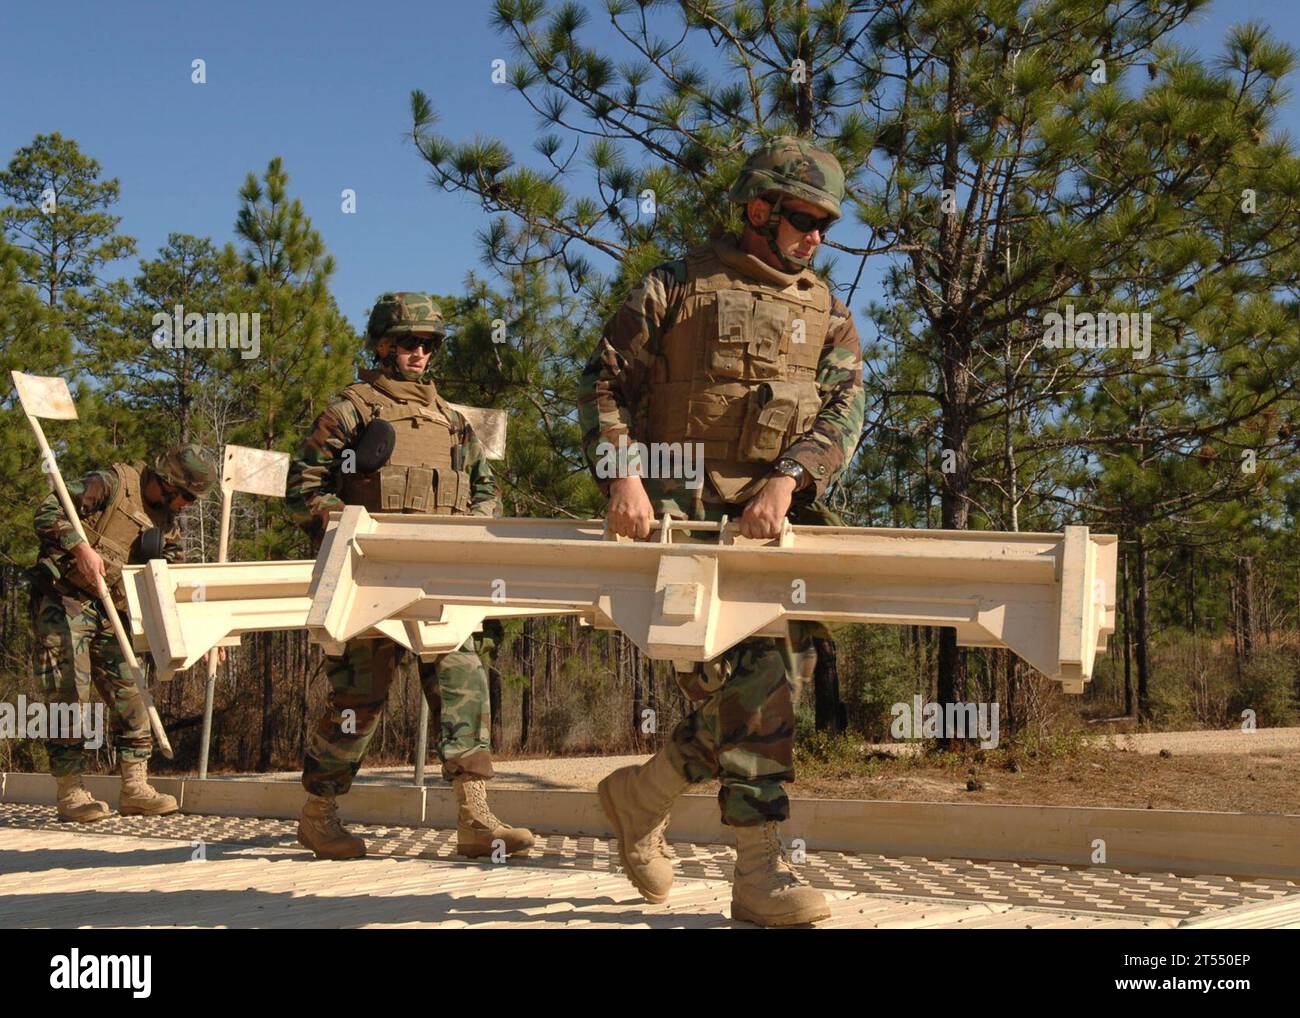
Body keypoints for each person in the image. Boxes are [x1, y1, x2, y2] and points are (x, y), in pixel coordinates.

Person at [577, 137, 865, 925]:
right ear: (759, 209)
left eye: (825, 225)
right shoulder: (674, 287)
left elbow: (847, 409)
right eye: (804, 218)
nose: (815, 236)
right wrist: (624, 477)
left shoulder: (828, 311)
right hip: (681, 525)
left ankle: (642, 797)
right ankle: (759, 872)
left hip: (772, 533)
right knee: (758, 691)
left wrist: (790, 478)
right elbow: (606, 384)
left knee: (763, 695)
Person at [286, 291, 533, 861]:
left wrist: (473, 534)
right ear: (383, 345)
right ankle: (319, 815)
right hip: (370, 577)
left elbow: (485, 489)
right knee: (358, 698)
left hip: (441, 579)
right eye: (409, 343)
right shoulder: (351, 409)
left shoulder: (451, 420)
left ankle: (475, 818)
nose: (420, 353)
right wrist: (341, 524)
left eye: (428, 344)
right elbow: (303, 491)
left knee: (463, 683)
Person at [32, 443, 217, 821]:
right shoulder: (110, 484)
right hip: (63, 599)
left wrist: (208, 630)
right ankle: (70, 792)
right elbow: (48, 510)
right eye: (186, 496)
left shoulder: (167, 523)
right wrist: (79, 547)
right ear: (167, 483)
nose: (187, 506)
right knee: (67, 692)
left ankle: (135, 787)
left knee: (132, 691)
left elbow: (170, 583)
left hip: (112, 610)